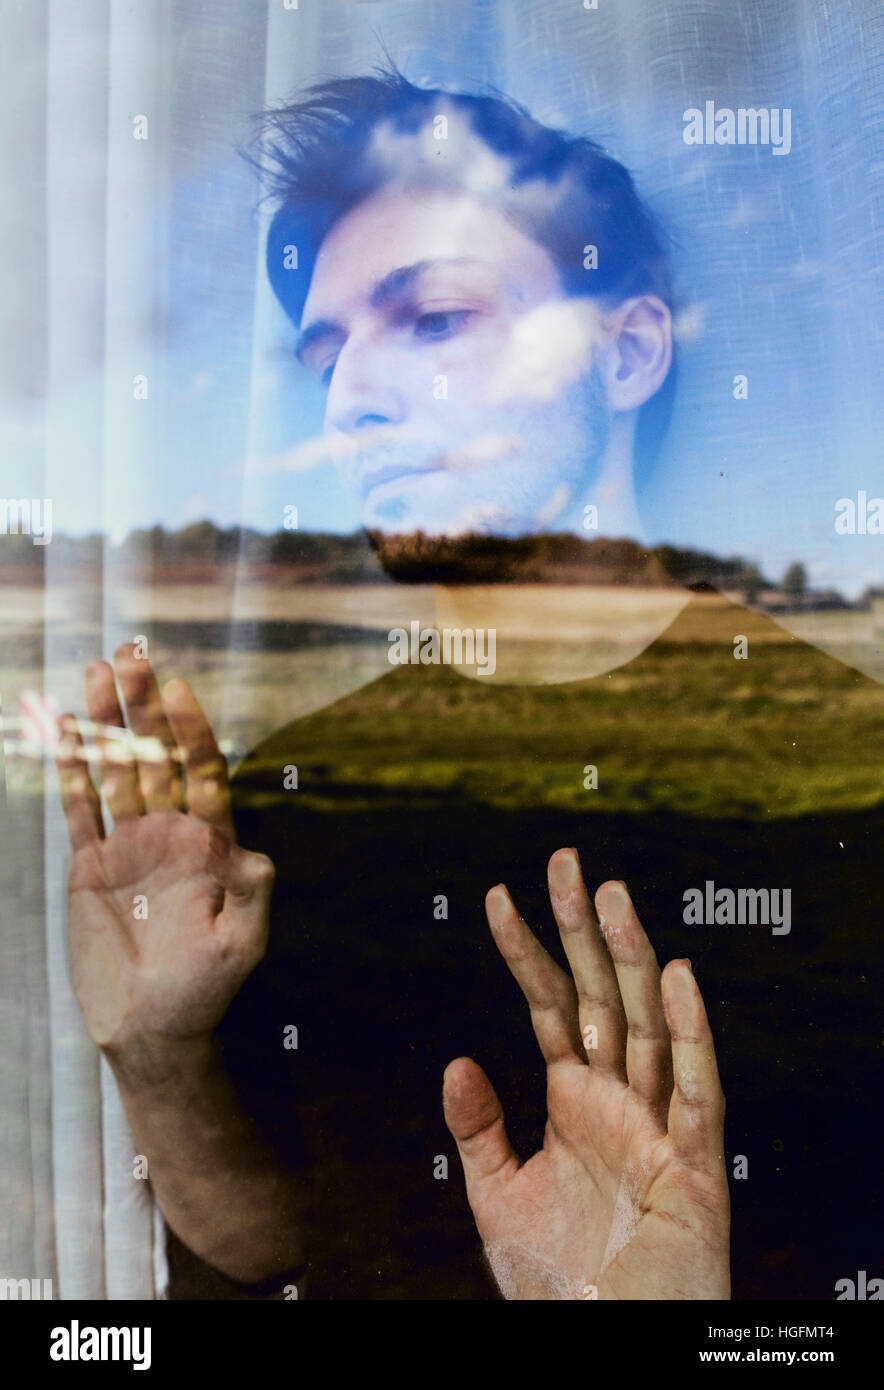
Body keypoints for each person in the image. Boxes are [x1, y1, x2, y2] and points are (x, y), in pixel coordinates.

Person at [55, 72, 880, 1300]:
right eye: (327, 352)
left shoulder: (842, 764)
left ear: (629, 351)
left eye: (431, 319)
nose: (352, 396)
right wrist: (161, 1058)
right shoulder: (292, 802)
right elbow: (276, 1245)